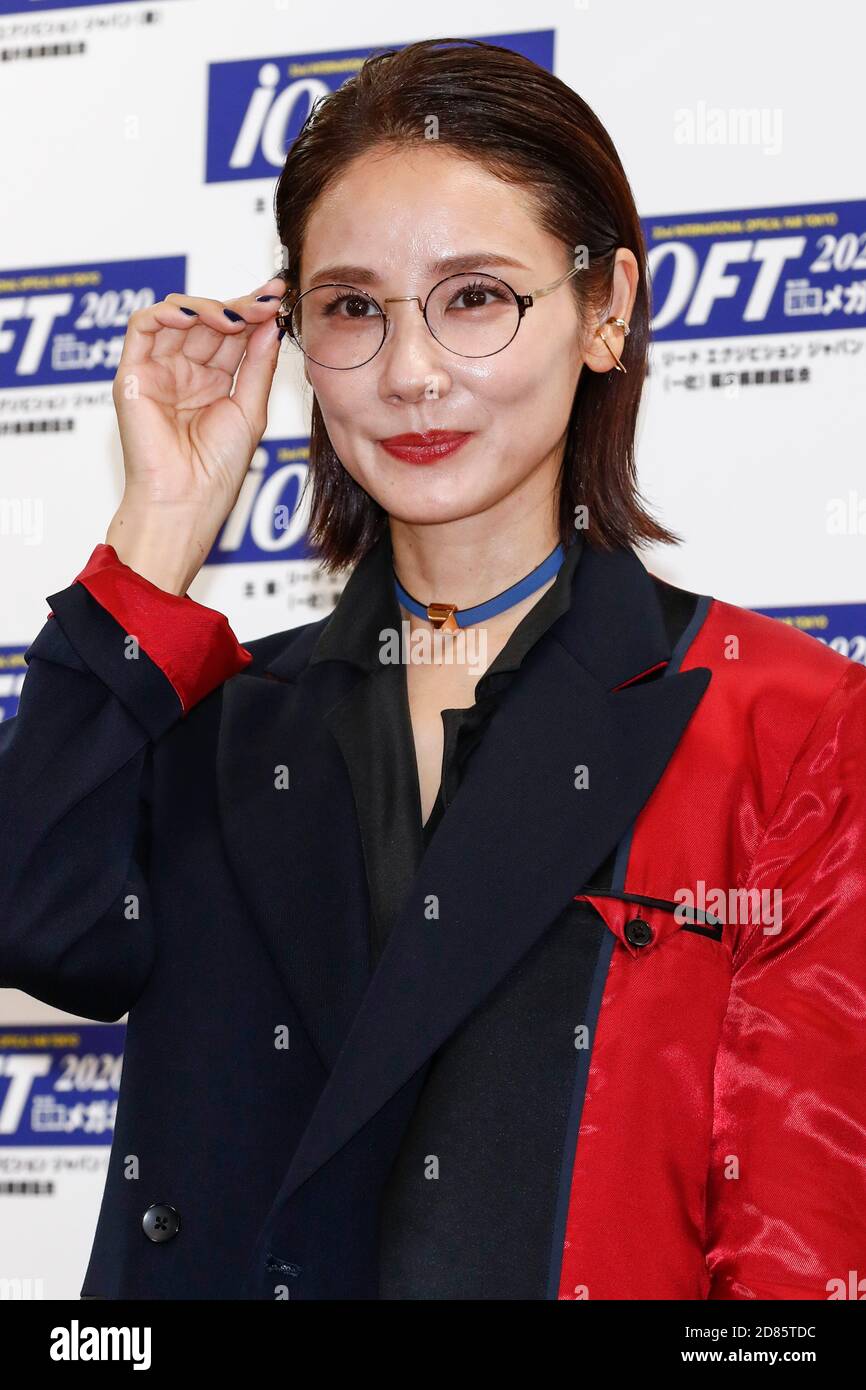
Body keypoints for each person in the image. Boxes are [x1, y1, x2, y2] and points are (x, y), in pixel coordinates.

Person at [1, 37, 865, 1302]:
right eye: (352, 307)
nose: (408, 374)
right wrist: (159, 531)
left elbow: (799, 1244)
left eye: (473, 297)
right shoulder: (210, 711)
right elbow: (37, 922)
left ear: (605, 307)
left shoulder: (781, 721)